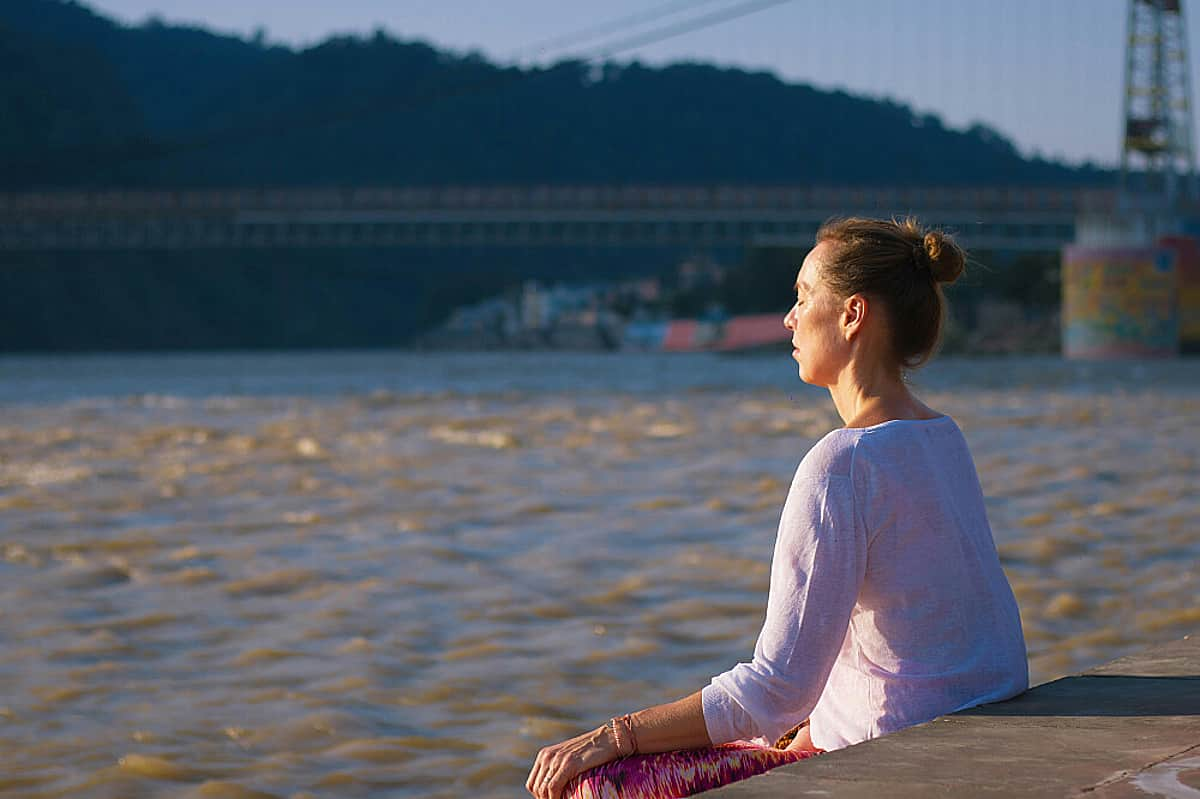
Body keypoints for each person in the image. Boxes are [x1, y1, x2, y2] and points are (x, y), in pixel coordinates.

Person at [525, 217, 1028, 799]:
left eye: (803, 296)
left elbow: (777, 689)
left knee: (593, 783)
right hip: (968, 730)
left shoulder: (843, 462)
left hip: (892, 761)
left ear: (852, 315)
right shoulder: (944, 437)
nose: (789, 317)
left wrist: (618, 735)